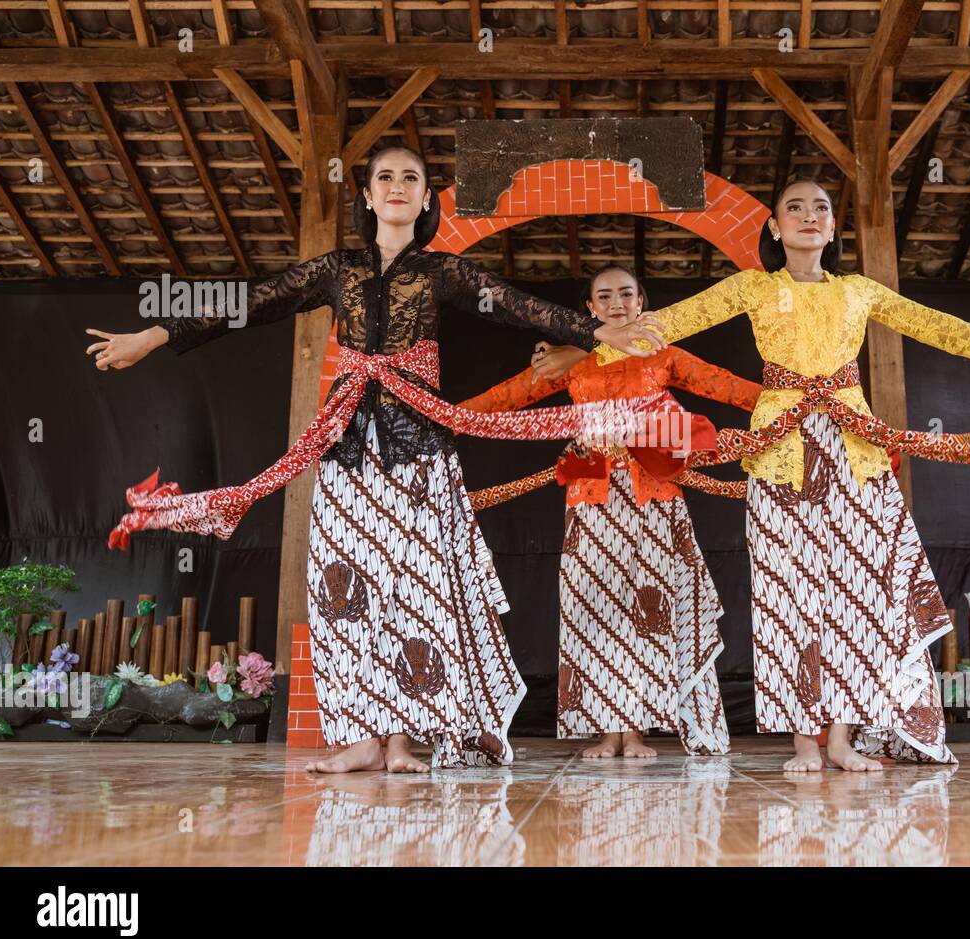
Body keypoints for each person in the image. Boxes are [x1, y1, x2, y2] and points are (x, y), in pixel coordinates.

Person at [85, 146, 660, 775]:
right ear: (367, 195)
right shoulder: (338, 269)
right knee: (343, 592)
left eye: (410, 178)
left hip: (419, 450)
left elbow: (520, 304)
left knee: (419, 592)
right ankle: (361, 736)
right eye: (385, 176)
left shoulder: (442, 272)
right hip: (347, 446)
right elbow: (248, 303)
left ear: (424, 200)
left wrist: (596, 331)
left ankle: (403, 741)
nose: (396, 186)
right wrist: (155, 334)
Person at [594, 179, 970, 772]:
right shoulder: (754, 287)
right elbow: (673, 321)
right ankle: (801, 741)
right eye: (793, 208)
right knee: (783, 593)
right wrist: (589, 339)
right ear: (774, 228)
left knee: (856, 593)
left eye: (820, 207)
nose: (807, 216)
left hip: (852, 444)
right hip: (780, 450)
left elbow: (937, 325)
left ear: (831, 227)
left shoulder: (860, 292)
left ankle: (842, 740)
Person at [462, 264, 759, 759]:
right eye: (604, 296)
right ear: (590, 309)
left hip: (656, 498)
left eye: (627, 293)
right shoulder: (572, 361)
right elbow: (504, 398)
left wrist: (795, 401)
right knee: (593, 611)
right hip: (590, 497)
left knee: (652, 609)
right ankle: (607, 729)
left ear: (642, 303)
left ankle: (639, 730)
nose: (617, 302)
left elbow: (725, 386)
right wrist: (439, 415)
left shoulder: (664, 353)